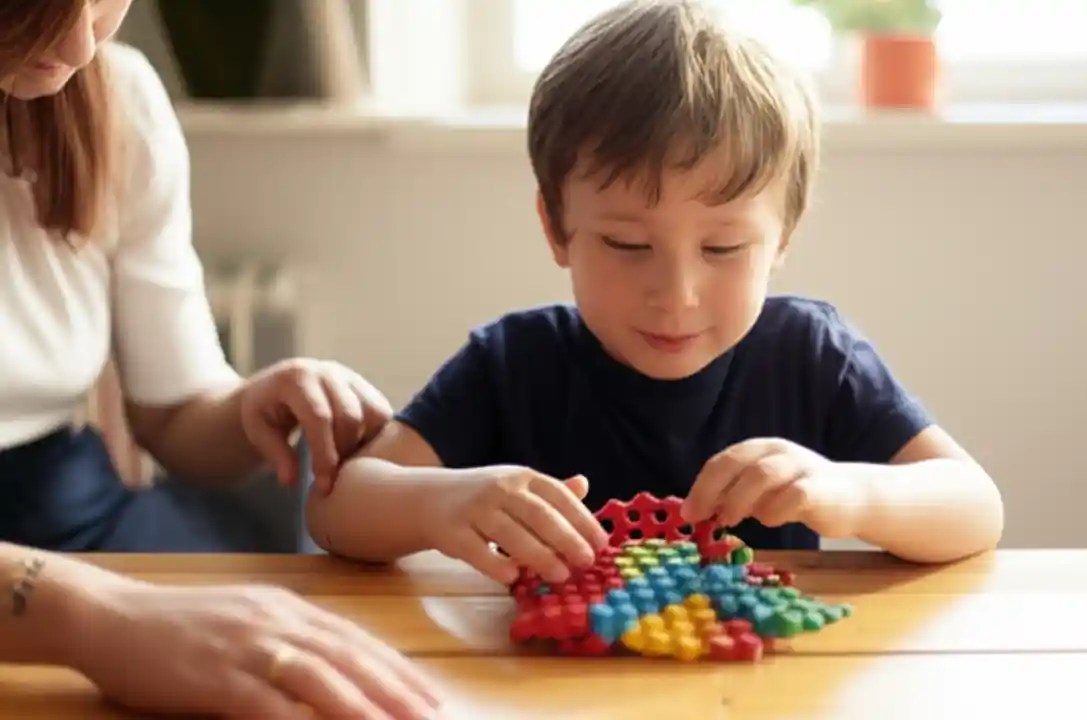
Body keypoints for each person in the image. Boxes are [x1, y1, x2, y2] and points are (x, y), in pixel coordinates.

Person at [307, 0, 1004, 584]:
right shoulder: (514, 363)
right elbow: (337, 510)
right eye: (627, 245)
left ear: (782, 237)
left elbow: (975, 506)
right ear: (557, 229)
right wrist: (441, 503)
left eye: (724, 248)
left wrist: (850, 493)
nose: (676, 294)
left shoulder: (812, 355)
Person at [1, 1, 440, 716]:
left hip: (77, 513)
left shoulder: (120, 98)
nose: (82, 43)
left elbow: (174, 414)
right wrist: (97, 618)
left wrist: (257, 406)